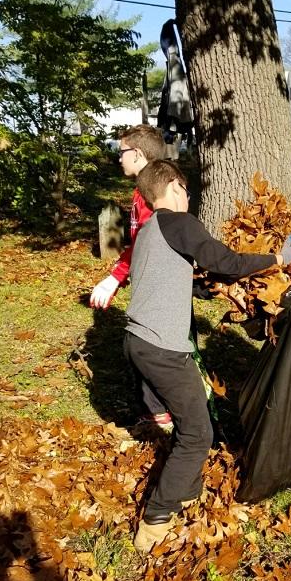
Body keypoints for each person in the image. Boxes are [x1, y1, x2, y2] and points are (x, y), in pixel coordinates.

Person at [127, 159, 291, 555]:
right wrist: (277, 260)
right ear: (174, 186)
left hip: (138, 341)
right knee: (198, 433)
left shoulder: (150, 231)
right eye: (187, 191)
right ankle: (155, 521)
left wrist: (213, 290)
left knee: (188, 420)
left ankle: (186, 490)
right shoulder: (178, 222)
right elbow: (226, 261)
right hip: (163, 348)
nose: (188, 198)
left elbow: (175, 279)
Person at [90, 124, 173, 428]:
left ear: (137, 153)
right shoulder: (141, 190)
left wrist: (115, 277)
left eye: (122, 151)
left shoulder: (155, 192)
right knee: (143, 343)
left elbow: (149, 243)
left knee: (147, 346)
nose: (118, 157)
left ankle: (160, 414)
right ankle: (157, 410)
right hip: (149, 281)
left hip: (160, 284)